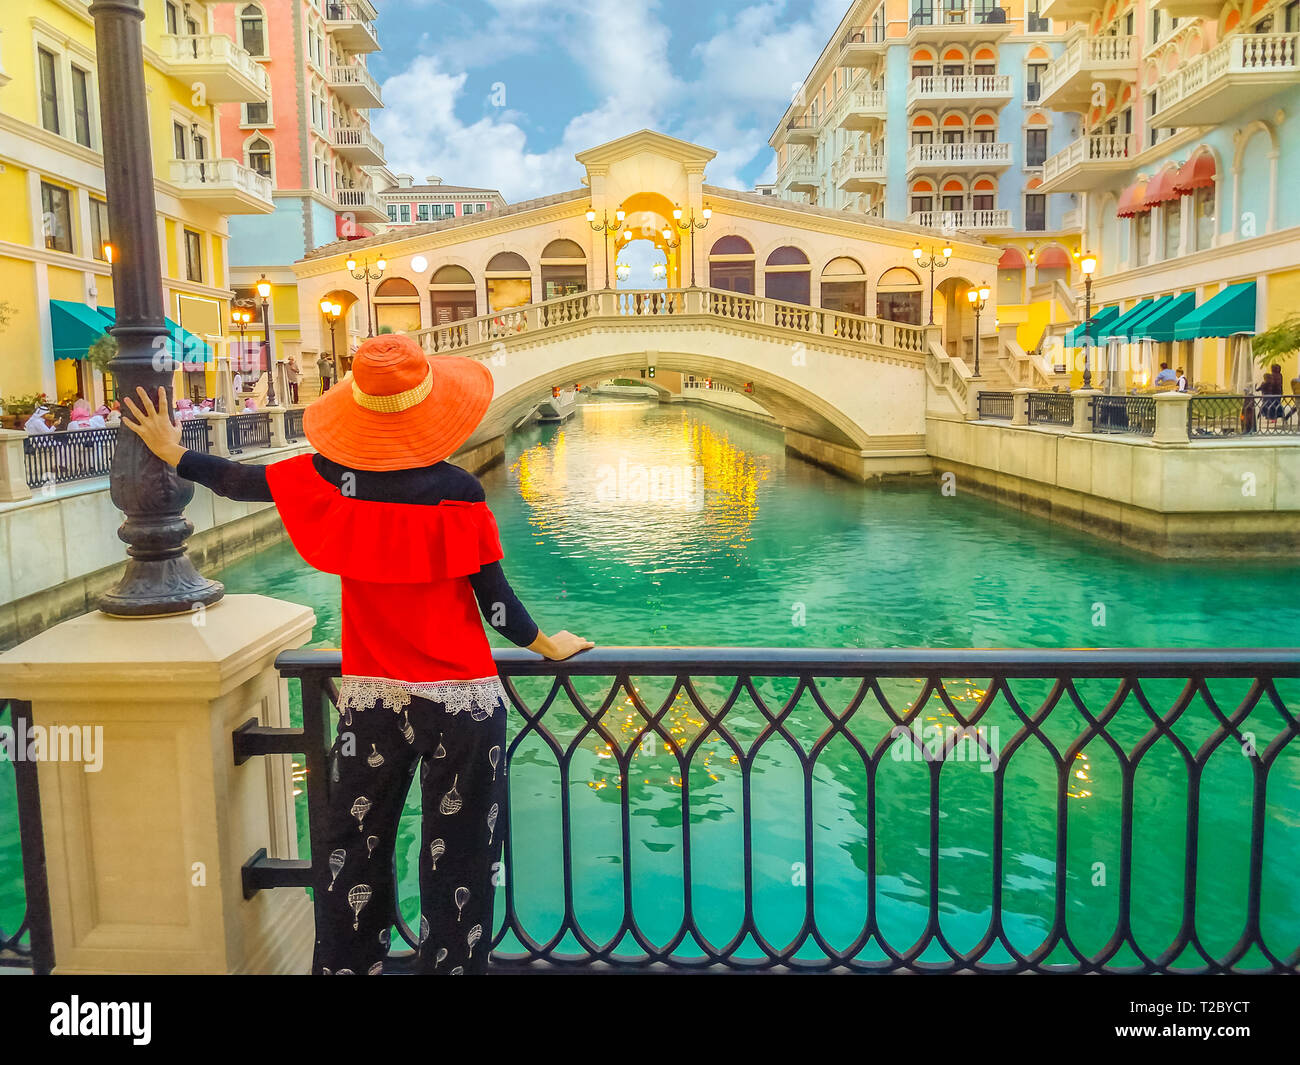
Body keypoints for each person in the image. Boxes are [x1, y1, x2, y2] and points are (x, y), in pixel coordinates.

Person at [122, 334, 593, 976]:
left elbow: (241, 482)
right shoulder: (458, 490)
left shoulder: (329, 481)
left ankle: (348, 968)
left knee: (353, 851)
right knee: (458, 859)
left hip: (372, 699)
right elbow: (498, 606)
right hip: (461, 704)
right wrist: (548, 644)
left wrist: (174, 452)